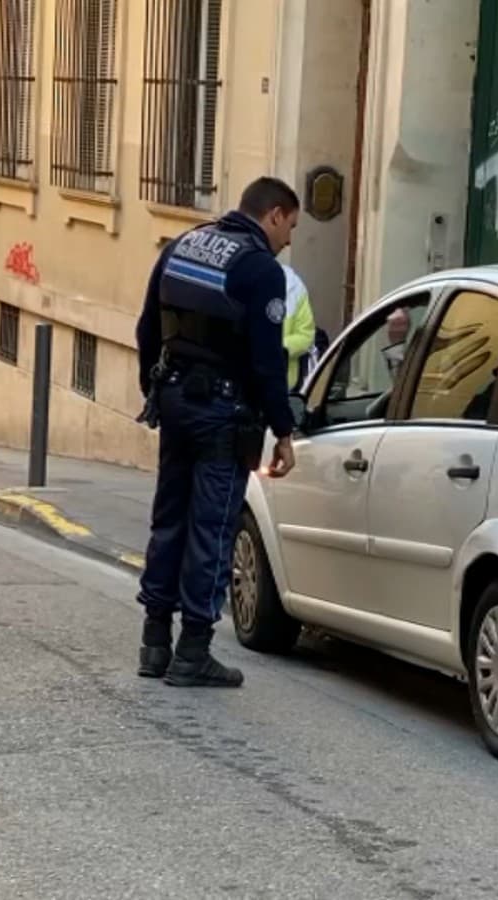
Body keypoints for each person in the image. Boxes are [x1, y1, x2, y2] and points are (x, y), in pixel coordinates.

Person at [133, 177, 300, 688]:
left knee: (169, 521)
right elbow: (268, 361)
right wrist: (284, 430)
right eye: (289, 226)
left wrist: (155, 389)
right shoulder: (260, 269)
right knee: (212, 527)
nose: (288, 239)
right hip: (223, 411)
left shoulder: (182, 245)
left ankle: (154, 644)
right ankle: (193, 653)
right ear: (272, 215)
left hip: (176, 397)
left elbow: (147, 328)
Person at [279, 262, 316, 390]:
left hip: (284, 386)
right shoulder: (239, 278)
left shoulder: (293, 285)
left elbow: (306, 335)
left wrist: (277, 348)